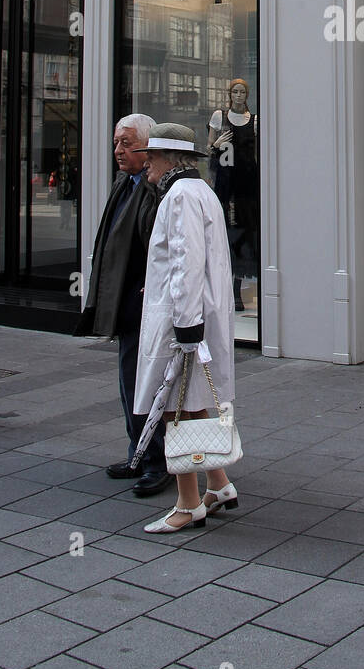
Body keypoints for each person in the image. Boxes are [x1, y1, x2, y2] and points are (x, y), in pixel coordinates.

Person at [135, 122, 237, 533]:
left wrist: (185, 327)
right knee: (191, 404)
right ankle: (218, 483)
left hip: (185, 321)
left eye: (151, 158)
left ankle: (187, 503)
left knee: (176, 410)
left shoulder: (178, 196)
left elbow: (185, 262)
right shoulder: (200, 192)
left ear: (167, 159)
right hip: (196, 317)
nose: (146, 167)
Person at [75, 113, 172, 498]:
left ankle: (155, 462)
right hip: (125, 304)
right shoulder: (125, 183)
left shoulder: (151, 189)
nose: (118, 150)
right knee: (129, 382)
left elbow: (156, 252)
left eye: (127, 143)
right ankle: (138, 453)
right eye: (117, 142)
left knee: (143, 386)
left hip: (141, 305)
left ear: (147, 147)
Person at [207, 79, 258, 311]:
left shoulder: (254, 121)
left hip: (246, 185)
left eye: (242, 92)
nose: (239, 95)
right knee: (223, 230)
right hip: (225, 183)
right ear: (230, 94)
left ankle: (238, 286)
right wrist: (216, 144)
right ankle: (222, 287)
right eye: (235, 92)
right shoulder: (220, 116)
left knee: (245, 232)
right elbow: (209, 149)